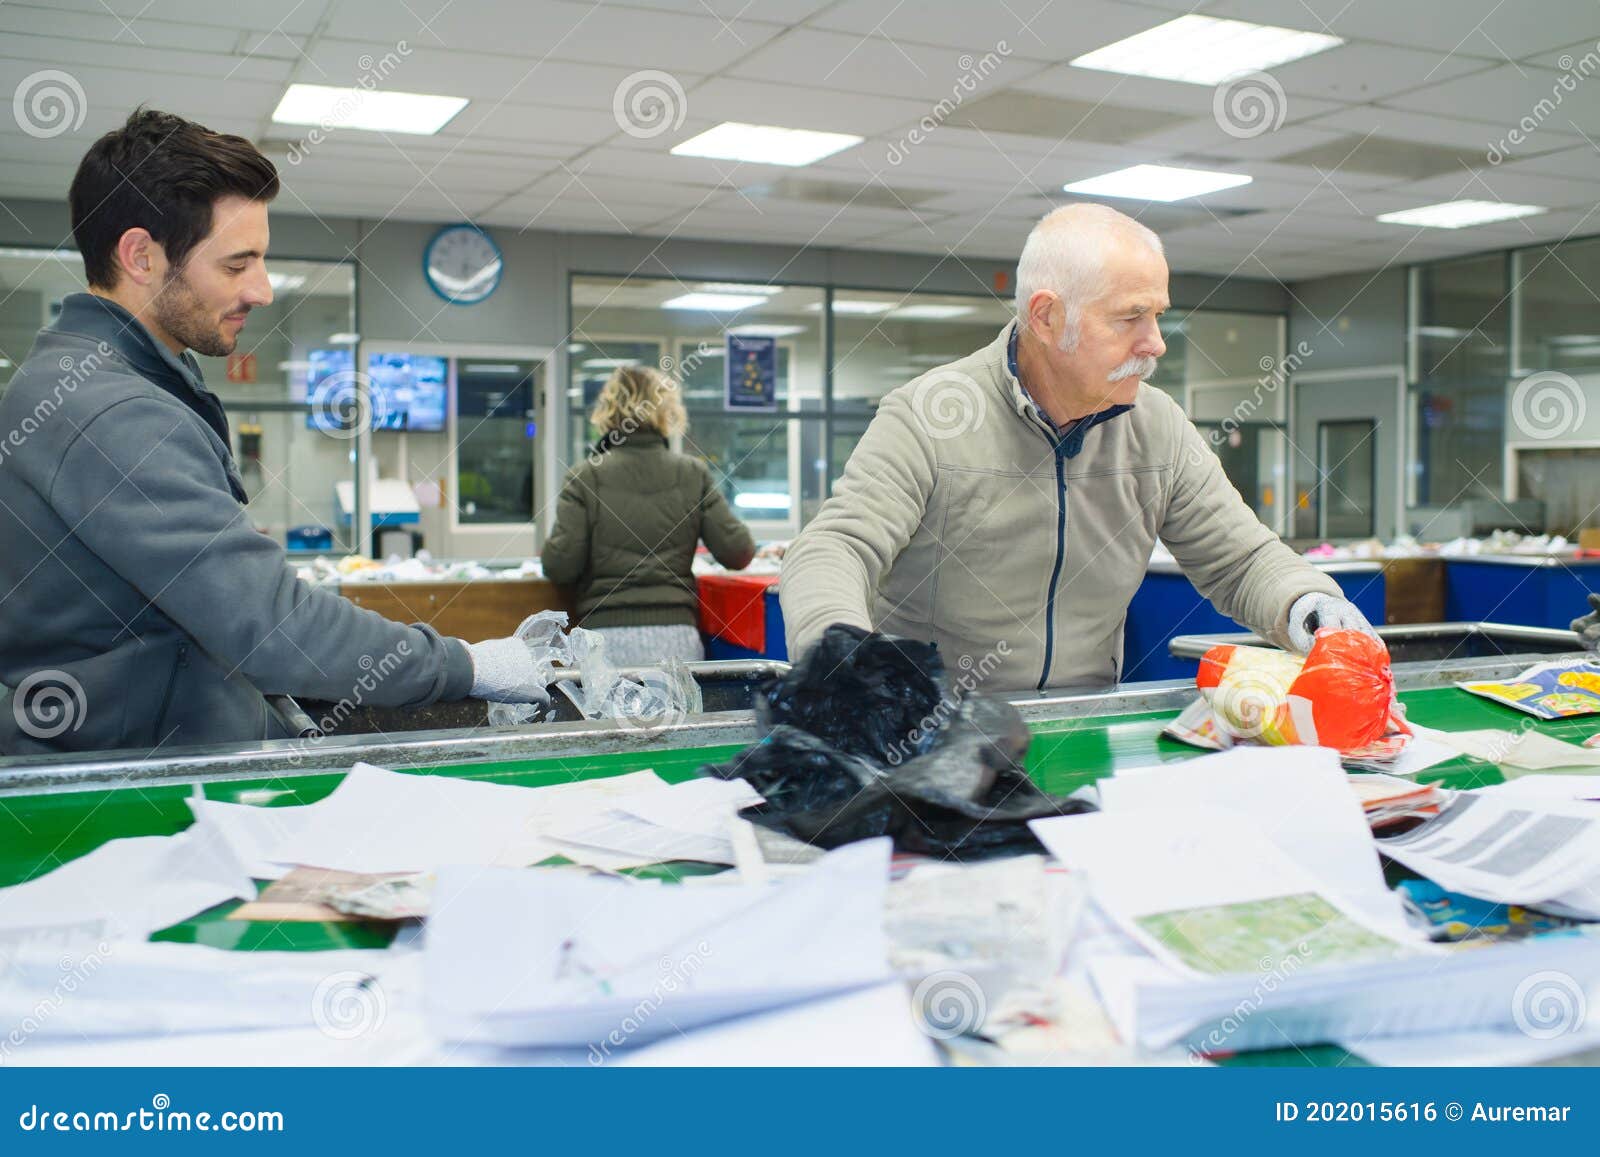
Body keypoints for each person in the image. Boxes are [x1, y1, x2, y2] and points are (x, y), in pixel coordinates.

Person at [0, 109, 549, 757]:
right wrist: (470, 664)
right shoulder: (107, 409)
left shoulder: (113, 379)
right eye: (237, 265)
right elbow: (273, 625)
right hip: (125, 796)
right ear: (140, 256)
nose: (260, 289)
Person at [781, 203, 1377, 692]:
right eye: (1130, 318)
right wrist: (842, 662)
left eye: (1159, 315)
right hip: (936, 734)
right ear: (1046, 317)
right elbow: (835, 549)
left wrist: (1309, 604)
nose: (1156, 344)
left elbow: (1242, 559)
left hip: (1082, 726)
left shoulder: (1158, 425)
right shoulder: (931, 415)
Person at [542, 366, 756, 665]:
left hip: (604, 639)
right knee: (681, 714)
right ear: (667, 411)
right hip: (676, 639)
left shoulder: (585, 476)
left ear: (607, 409)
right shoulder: (693, 473)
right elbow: (738, 552)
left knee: (605, 715)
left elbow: (560, 566)